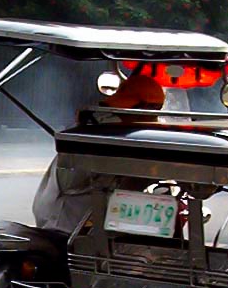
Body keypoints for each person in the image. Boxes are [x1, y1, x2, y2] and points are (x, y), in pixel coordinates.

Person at [32, 74, 164, 233]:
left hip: (106, 222)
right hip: (64, 223)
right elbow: (71, 181)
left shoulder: (139, 135)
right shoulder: (98, 132)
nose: (120, 115)